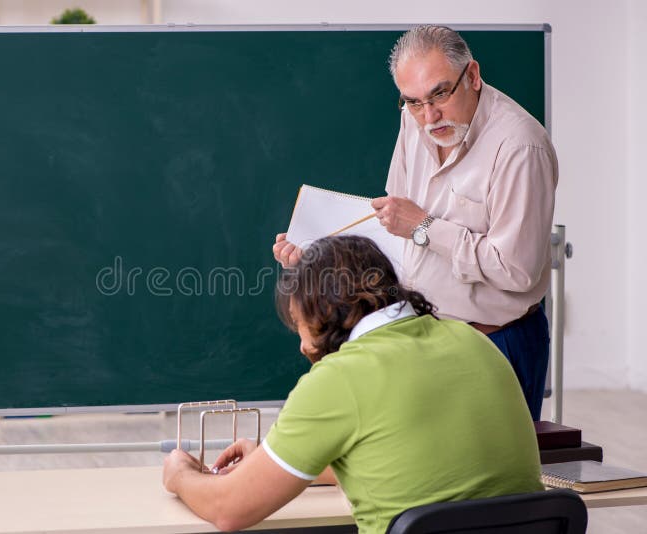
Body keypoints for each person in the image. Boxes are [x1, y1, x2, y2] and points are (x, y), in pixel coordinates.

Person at [164, 235, 543, 534]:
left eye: (300, 324)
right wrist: (269, 458)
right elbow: (397, 454)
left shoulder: (339, 379)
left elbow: (229, 509)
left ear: (324, 311)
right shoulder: (473, 341)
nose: (302, 345)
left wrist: (180, 474)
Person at [274, 25, 558, 420]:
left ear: (472, 75)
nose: (430, 116)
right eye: (413, 102)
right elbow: (394, 228)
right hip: (423, 338)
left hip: (497, 344)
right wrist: (317, 256)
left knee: (496, 477)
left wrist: (426, 227)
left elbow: (518, 271)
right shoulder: (415, 121)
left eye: (440, 93)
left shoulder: (520, 147)